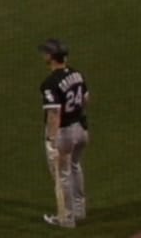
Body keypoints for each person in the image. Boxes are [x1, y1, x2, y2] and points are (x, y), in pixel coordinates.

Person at [38, 38, 90, 229]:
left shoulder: (50, 83)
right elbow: (86, 99)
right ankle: (79, 209)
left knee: (62, 176)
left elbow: (54, 113)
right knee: (75, 166)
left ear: (51, 57)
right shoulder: (77, 73)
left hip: (64, 134)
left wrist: (52, 140)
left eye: (45, 53)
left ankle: (66, 218)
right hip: (81, 129)